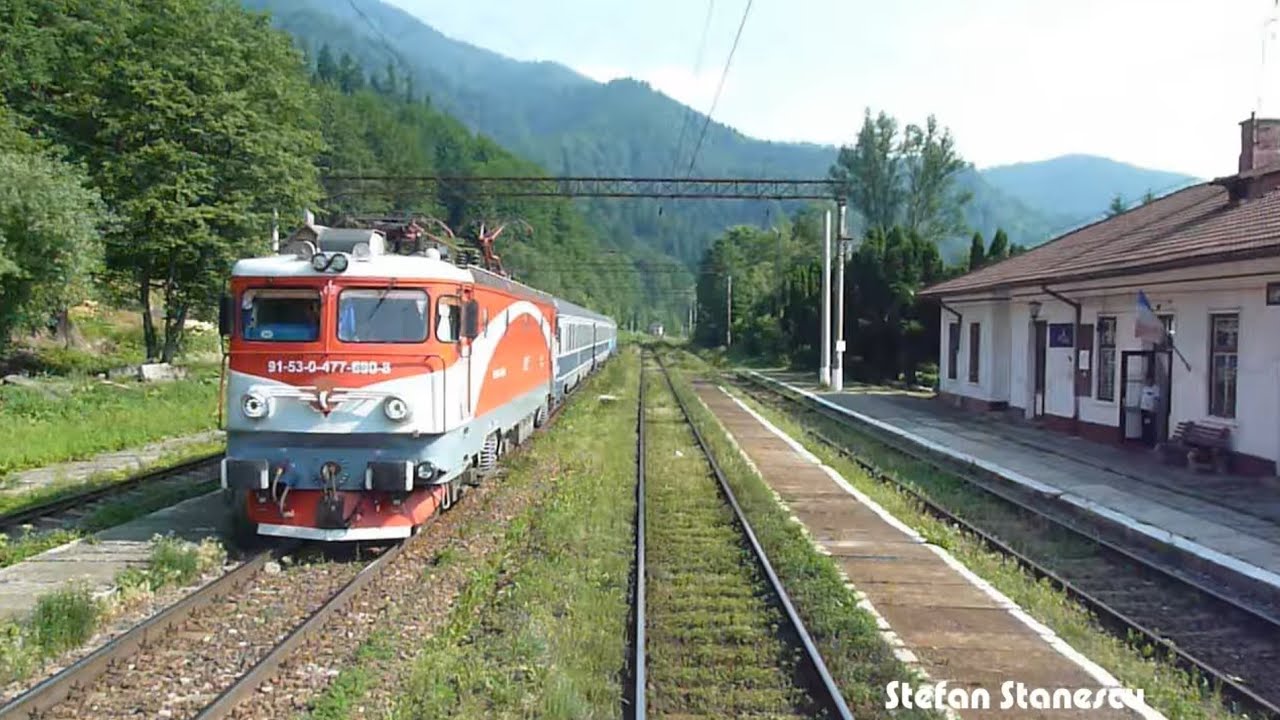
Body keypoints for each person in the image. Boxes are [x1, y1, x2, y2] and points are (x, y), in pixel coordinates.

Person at [1139, 372, 1160, 446]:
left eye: (1149, 380)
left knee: (1150, 426)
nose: (1148, 382)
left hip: (1150, 410)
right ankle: (1144, 440)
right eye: (1146, 380)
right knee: (1144, 425)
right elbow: (1142, 397)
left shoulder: (1155, 388)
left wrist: (1154, 409)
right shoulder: (1145, 388)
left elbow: (1156, 399)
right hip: (1144, 409)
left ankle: (1151, 442)